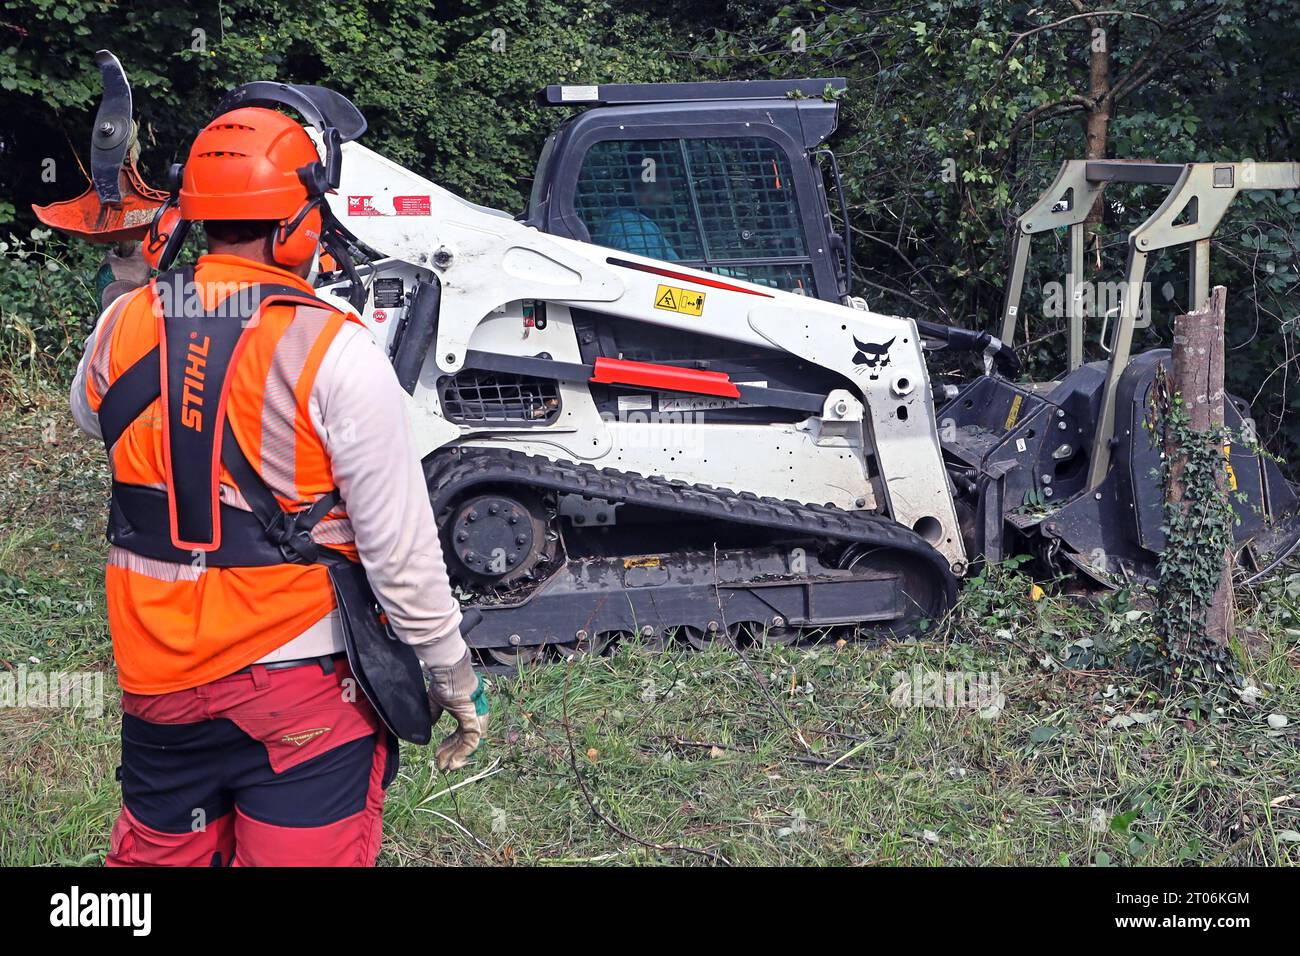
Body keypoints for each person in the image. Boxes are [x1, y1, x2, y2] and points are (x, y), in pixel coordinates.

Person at [70, 105, 484, 867]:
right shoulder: (333, 348)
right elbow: (398, 546)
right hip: (299, 687)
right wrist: (450, 671)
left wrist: (134, 297)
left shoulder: (125, 322)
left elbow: (96, 416)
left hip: (156, 683)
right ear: (296, 227)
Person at [593, 174, 683, 260]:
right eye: (663, 188)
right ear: (643, 189)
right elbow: (645, 272)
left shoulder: (625, 220)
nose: (669, 197)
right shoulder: (632, 226)